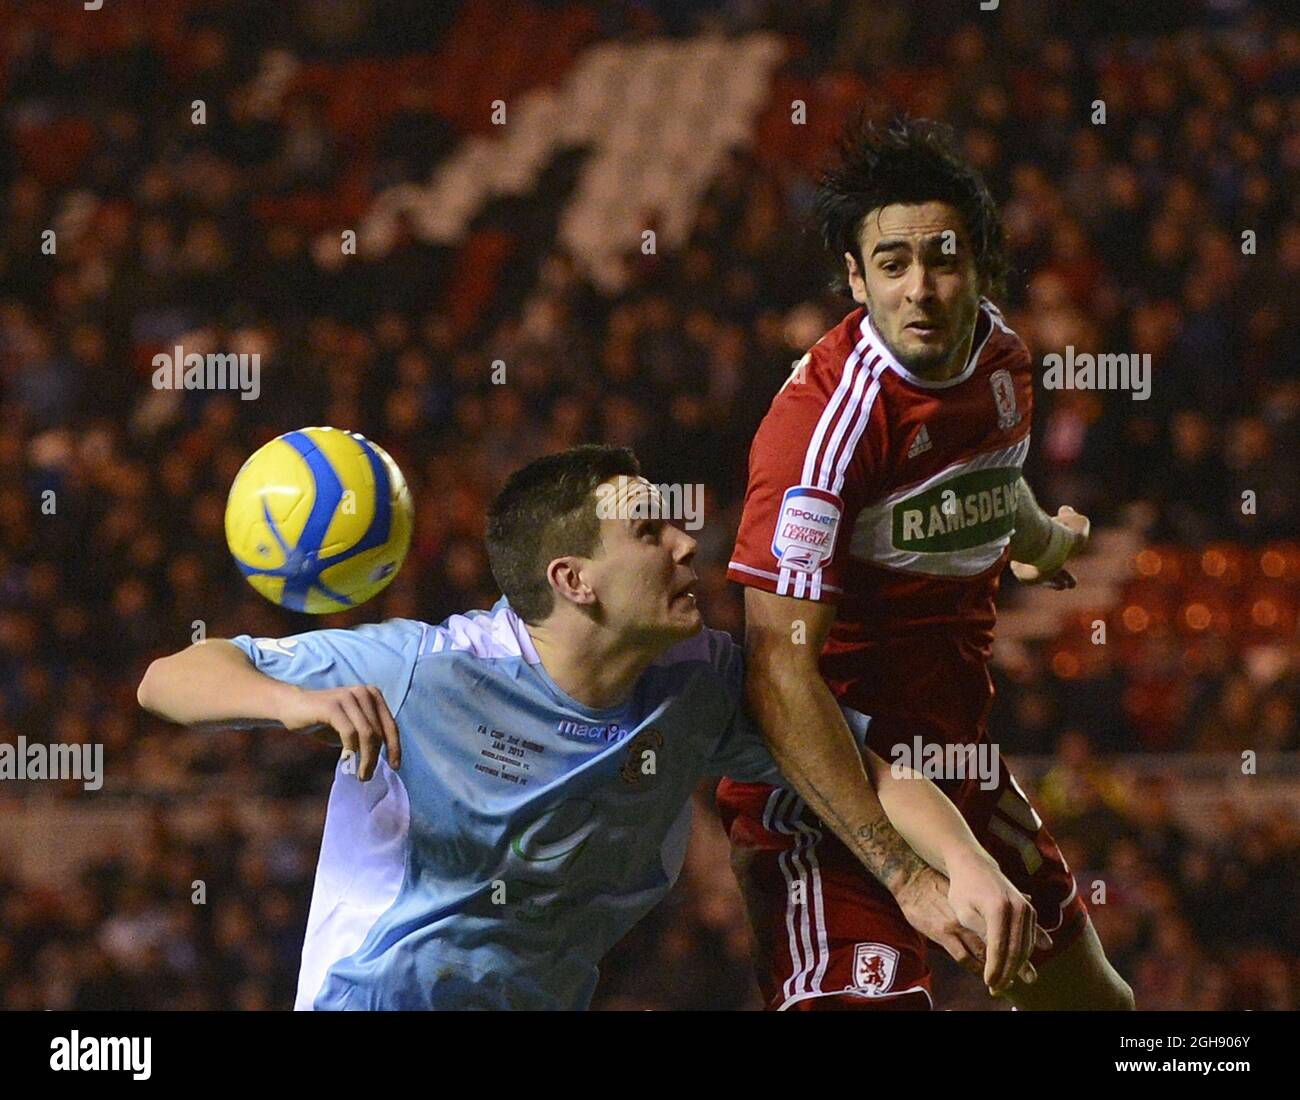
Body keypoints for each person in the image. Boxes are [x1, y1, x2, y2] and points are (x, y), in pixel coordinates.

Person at [138, 445, 1040, 1010]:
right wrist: (290, 699)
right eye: (651, 534)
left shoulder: (702, 682)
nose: (690, 546)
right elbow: (168, 679)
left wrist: (949, 871)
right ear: (574, 580)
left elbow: (869, 771)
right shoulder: (428, 668)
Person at [721, 116, 1134, 1010]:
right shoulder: (822, 430)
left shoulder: (1005, 366)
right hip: (827, 789)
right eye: (893, 264)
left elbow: (989, 488)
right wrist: (908, 877)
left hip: (958, 764)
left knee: (1099, 1010)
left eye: (943, 259)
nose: (921, 289)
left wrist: (1042, 542)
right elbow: (778, 677)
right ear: (855, 275)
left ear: (982, 267)